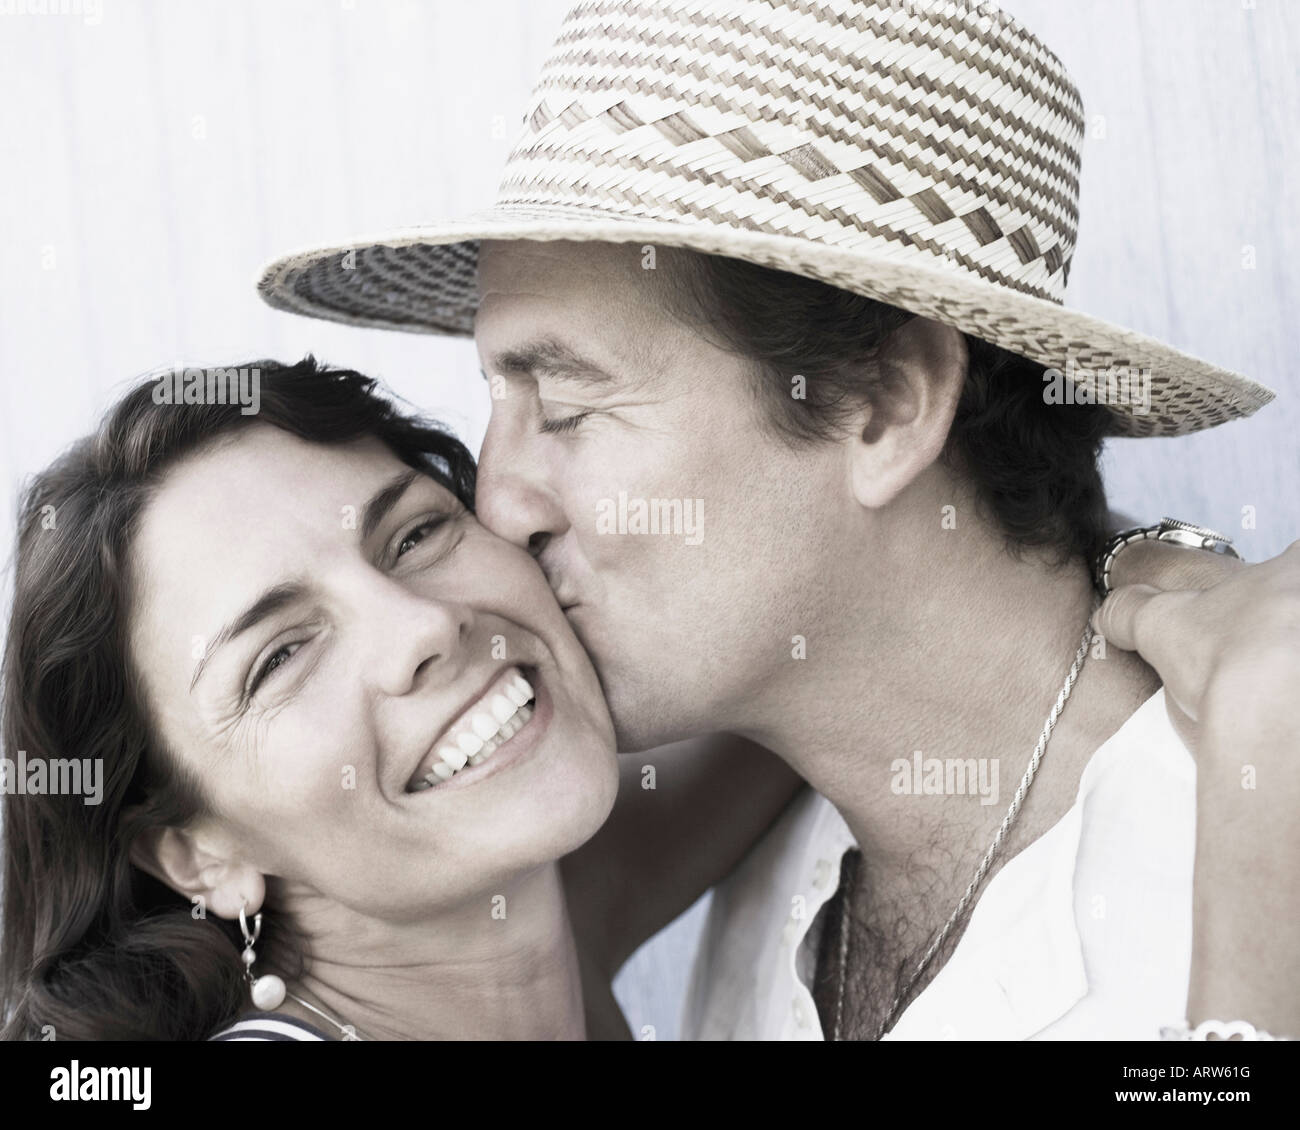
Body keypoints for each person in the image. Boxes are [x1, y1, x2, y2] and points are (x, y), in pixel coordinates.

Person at [255, 0, 1300, 1039]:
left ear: (881, 404)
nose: (498, 506)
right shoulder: (777, 819)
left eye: (568, 408)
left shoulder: (1246, 825)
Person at [0, 359, 802, 1041]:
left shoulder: (527, 915)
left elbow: (813, 661)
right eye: (279, 657)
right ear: (200, 857)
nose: (424, 626)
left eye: (416, 535)